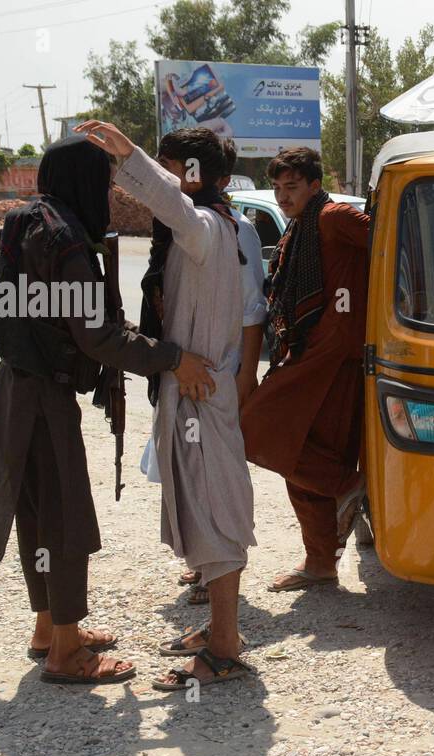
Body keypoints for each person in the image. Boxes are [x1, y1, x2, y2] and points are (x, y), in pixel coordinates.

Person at [0, 135, 216, 684]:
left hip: (14, 384)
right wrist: (172, 359)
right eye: (105, 181)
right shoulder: (67, 239)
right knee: (67, 520)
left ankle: (50, 627)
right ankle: (66, 653)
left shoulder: (23, 222)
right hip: (44, 397)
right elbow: (98, 336)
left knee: (37, 514)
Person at [77, 119, 256, 690]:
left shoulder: (203, 224)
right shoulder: (209, 227)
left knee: (214, 515)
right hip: (195, 387)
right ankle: (219, 628)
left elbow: (173, 204)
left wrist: (129, 156)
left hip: (202, 392)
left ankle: (224, 649)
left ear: (197, 175)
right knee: (204, 509)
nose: (163, 177)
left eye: (173, 166)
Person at [239, 147, 370, 592]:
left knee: (254, 426)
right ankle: (320, 562)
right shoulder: (300, 228)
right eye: (277, 188)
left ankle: (348, 483)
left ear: (314, 185)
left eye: (291, 187)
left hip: (335, 355)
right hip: (309, 350)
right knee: (303, 455)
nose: (282, 196)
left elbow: (390, 241)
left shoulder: (332, 217)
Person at [171, 137, 268, 607]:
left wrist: (245, 377)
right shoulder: (177, 228)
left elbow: (253, 311)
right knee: (190, 475)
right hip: (185, 375)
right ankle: (205, 569)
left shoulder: (228, 226)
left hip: (215, 375)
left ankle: (223, 609)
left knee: (217, 482)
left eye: (180, 169)